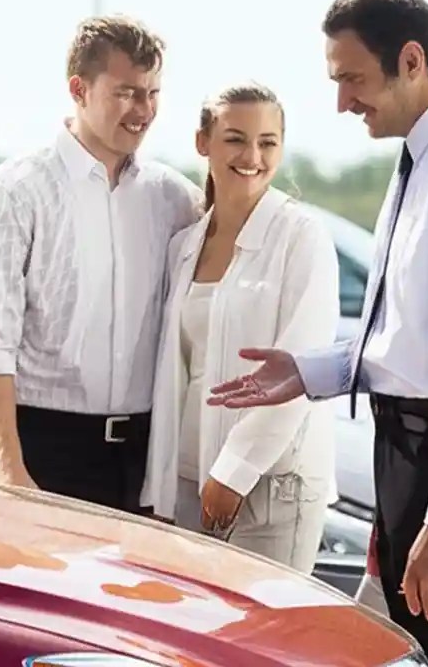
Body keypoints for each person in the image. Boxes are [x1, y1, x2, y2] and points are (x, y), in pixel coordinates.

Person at [207, 0, 428, 666]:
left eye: (353, 80)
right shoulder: (427, 158)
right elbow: (415, 334)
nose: (342, 103)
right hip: (413, 452)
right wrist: (311, 371)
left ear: (413, 60)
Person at [0, 15, 199, 513]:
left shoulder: (173, 198)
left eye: (153, 93)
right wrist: (9, 469)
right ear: (79, 89)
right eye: (127, 93)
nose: (143, 110)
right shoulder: (13, 193)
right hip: (47, 449)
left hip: (146, 455)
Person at [140, 82, 340, 573]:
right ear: (202, 143)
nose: (252, 155)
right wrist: (164, 484)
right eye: (235, 139)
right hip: (191, 480)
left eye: (267, 142)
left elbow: (299, 371)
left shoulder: (302, 236)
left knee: (262, 643)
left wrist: (234, 473)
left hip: (272, 486)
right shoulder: (183, 245)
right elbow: (175, 376)